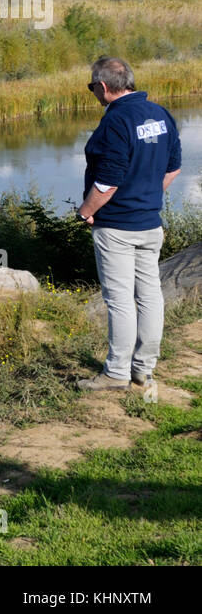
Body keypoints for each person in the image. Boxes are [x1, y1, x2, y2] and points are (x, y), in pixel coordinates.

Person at [75, 56, 182, 391]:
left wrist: (85, 212)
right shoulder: (160, 115)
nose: (93, 91)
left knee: (120, 299)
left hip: (117, 228)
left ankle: (117, 373)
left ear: (104, 87)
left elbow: (108, 182)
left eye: (92, 86)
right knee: (150, 295)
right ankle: (144, 369)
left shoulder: (116, 122)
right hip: (150, 223)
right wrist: (147, 194)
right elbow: (174, 168)